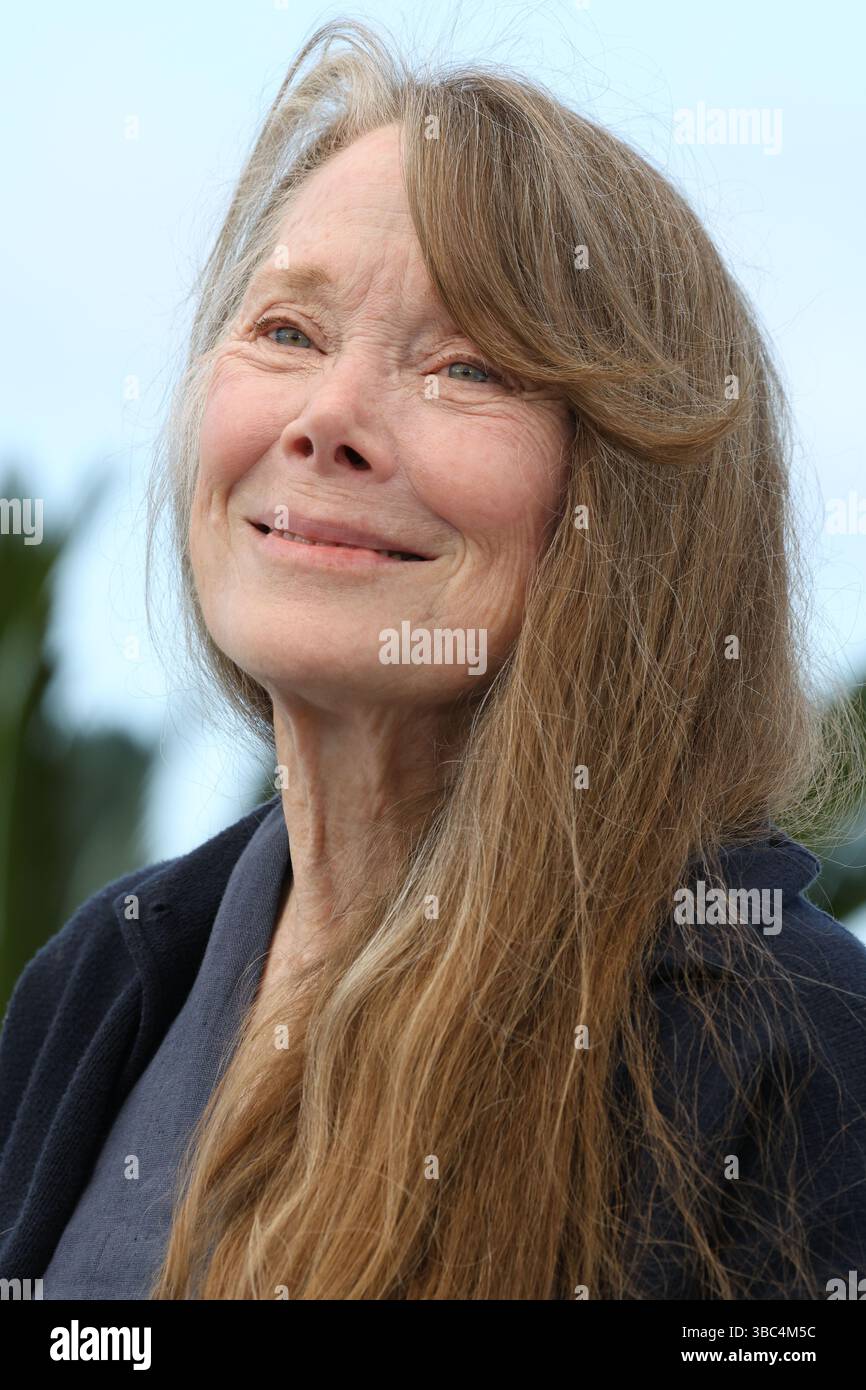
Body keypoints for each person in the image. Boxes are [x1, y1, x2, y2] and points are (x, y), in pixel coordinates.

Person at [2, 19, 865, 1301]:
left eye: (464, 367)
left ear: (633, 507)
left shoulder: (792, 1051)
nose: (326, 421)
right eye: (287, 331)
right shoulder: (101, 982)